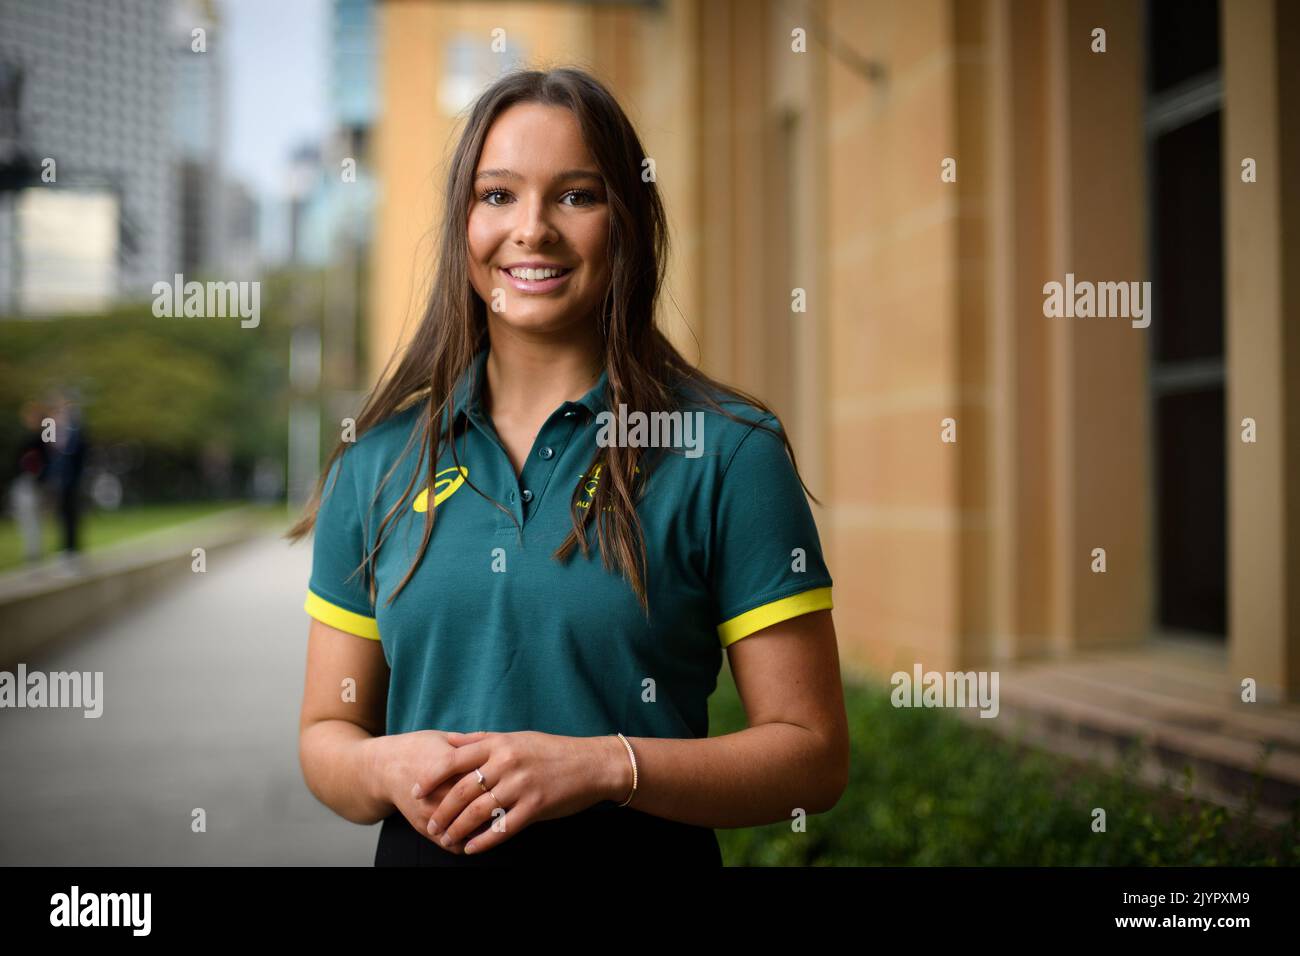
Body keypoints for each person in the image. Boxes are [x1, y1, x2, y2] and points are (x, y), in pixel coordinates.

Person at [289, 67, 849, 867]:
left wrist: (602, 765)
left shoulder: (727, 451)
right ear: (462, 225)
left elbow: (812, 756)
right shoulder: (378, 461)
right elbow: (325, 738)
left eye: (576, 196)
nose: (533, 230)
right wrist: (383, 764)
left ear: (627, 221)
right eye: (498, 195)